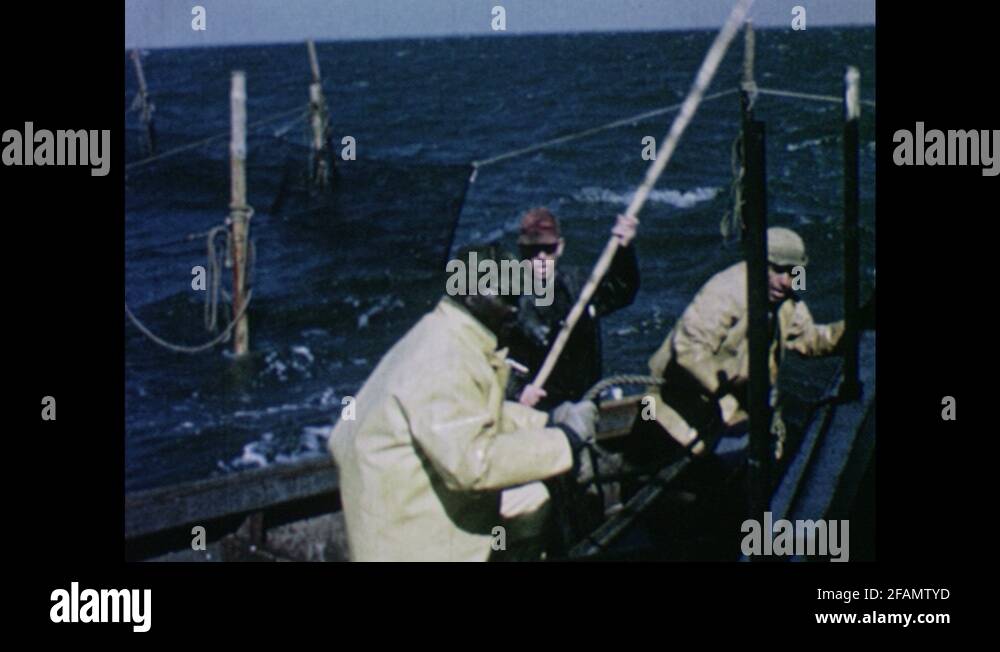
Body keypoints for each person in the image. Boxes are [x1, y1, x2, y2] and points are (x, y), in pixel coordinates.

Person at [328, 244, 599, 562]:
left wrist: (544, 422)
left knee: (531, 500)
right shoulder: (444, 359)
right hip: (408, 538)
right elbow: (473, 466)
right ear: (471, 295)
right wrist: (565, 441)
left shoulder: (444, 332)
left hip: (404, 498)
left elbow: (475, 412)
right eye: (506, 298)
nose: (515, 309)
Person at [645, 227, 844, 460]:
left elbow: (808, 339)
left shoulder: (787, 296)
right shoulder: (725, 291)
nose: (786, 282)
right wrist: (734, 395)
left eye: (793, 272)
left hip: (737, 405)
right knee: (731, 467)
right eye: (778, 270)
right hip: (678, 408)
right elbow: (689, 352)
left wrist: (854, 328)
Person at [506, 207, 640, 410]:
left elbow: (622, 291)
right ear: (521, 250)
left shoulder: (579, 286)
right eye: (533, 250)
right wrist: (517, 392)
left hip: (582, 404)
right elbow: (494, 360)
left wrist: (624, 248)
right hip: (533, 410)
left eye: (548, 249)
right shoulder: (508, 300)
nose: (541, 257)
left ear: (560, 247)